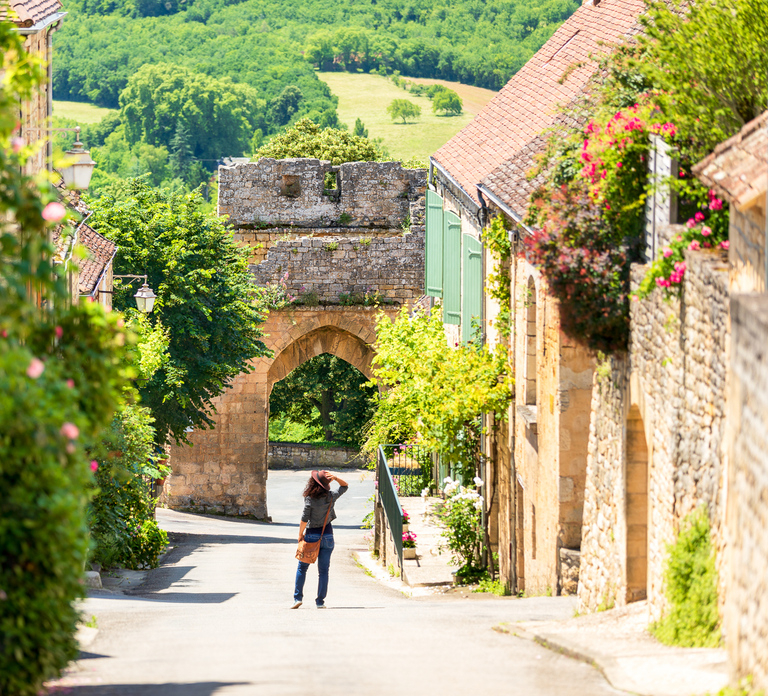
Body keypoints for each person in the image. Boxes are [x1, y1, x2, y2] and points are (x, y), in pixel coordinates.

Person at [292, 470, 348, 609]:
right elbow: (345, 486)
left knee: (302, 568)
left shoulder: (310, 498)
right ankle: (320, 602)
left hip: (311, 536)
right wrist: (335, 478)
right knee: (323, 571)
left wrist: (300, 534)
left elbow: (305, 518)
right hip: (327, 536)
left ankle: (298, 598)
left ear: (312, 483)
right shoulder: (331, 496)